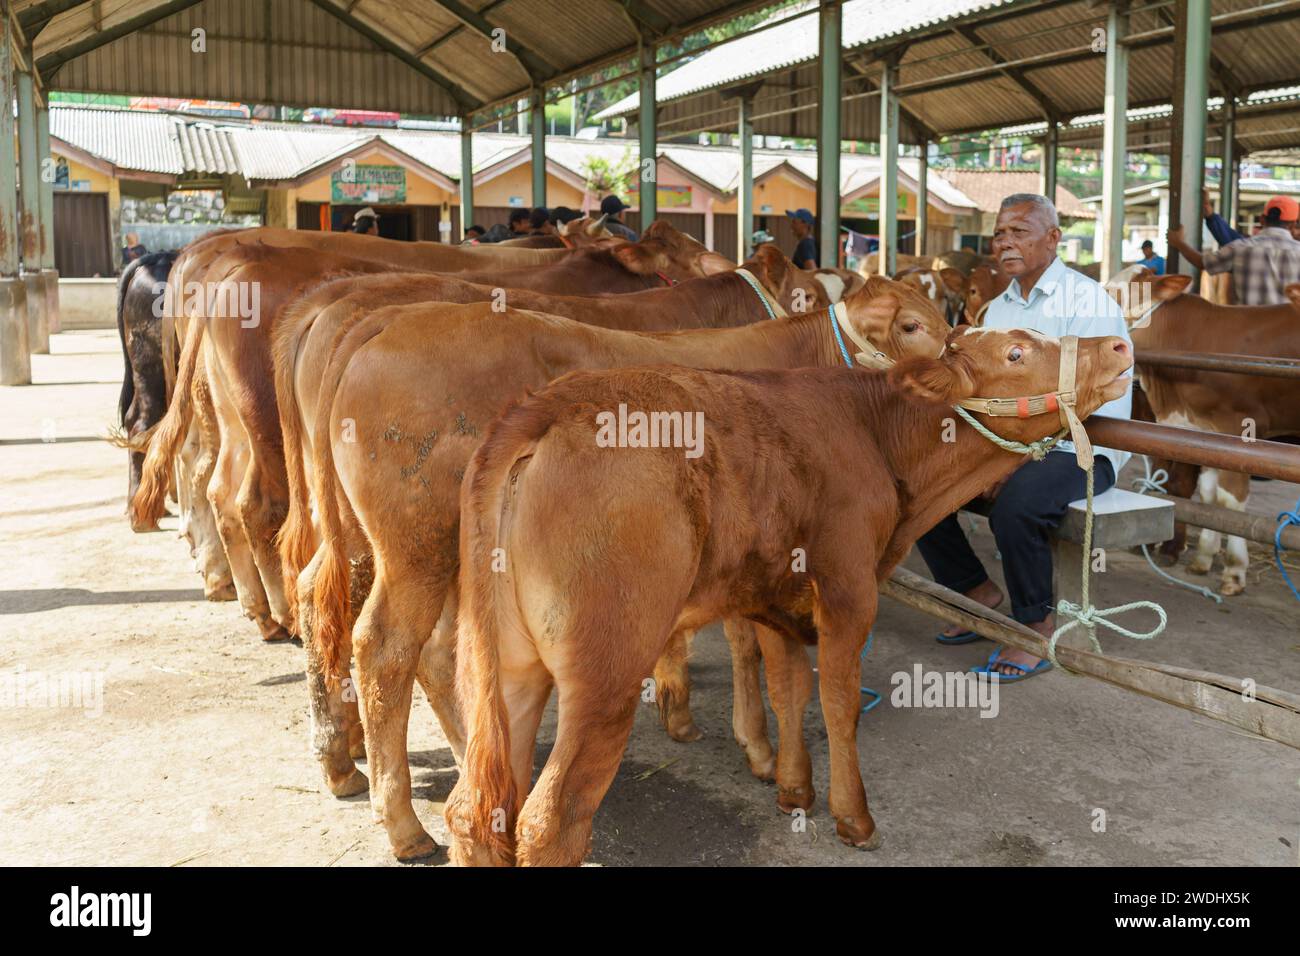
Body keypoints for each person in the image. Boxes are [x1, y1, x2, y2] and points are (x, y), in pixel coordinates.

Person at [917, 193, 1132, 681]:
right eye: (999, 234)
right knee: (918, 481)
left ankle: (1035, 628)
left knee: (1017, 505)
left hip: (1080, 446)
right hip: (1009, 442)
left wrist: (1009, 462)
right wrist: (991, 453)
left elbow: (1095, 398)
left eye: (1019, 232)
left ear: (1053, 239)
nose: (1005, 242)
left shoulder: (1086, 301)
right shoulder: (996, 310)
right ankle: (974, 593)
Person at [1168, 195, 1300, 306]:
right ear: (1293, 224)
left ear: (1262, 219)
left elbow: (1202, 262)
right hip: (1289, 332)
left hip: (1246, 332)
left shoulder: (1239, 248)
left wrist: (1178, 243)